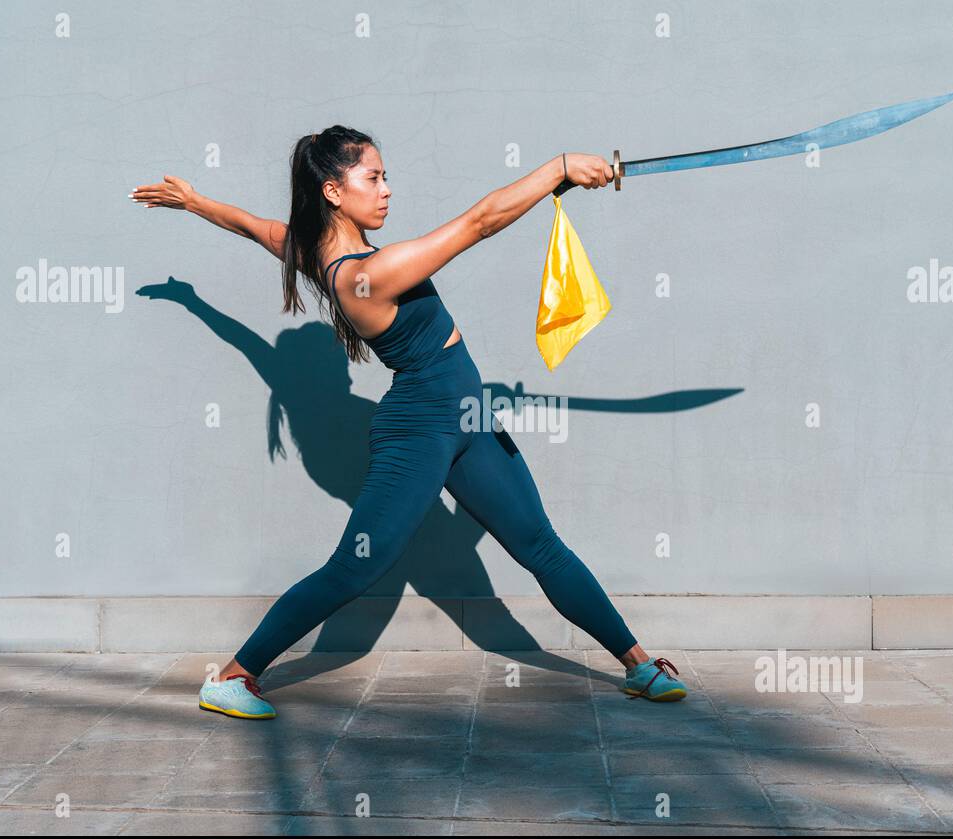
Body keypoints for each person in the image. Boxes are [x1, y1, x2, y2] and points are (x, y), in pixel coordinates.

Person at [130, 126, 685, 719]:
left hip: (465, 417)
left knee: (539, 544)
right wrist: (559, 168)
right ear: (334, 191)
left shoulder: (316, 252)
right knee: (355, 568)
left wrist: (194, 207)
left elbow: (250, 227)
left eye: (385, 176)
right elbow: (479, 224)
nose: (387, 190)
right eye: (373, 178)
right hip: (420, 426)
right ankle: (235, 676)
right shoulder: (361, 275)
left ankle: (639, 666)